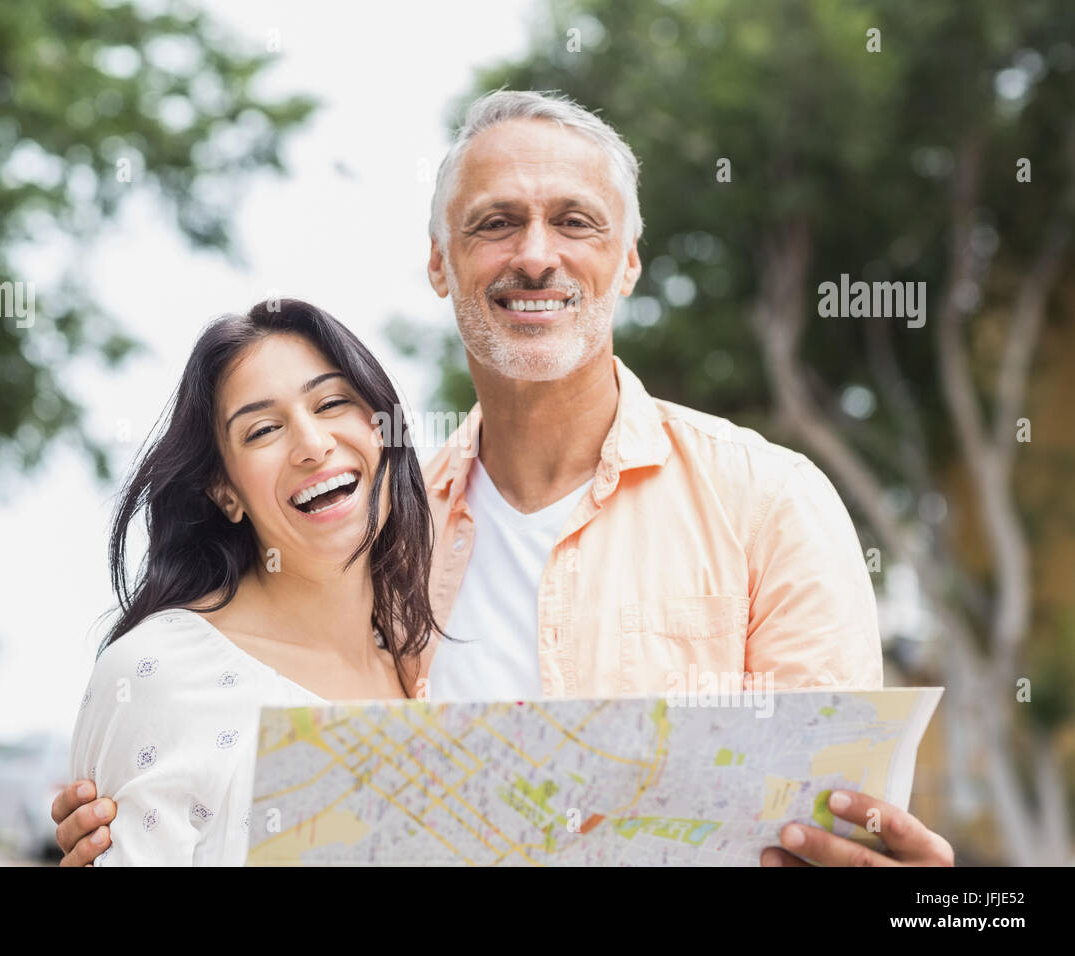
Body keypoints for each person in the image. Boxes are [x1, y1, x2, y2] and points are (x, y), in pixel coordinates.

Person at [54, 90, 953, 867]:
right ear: (441, 264)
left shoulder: (772, 505)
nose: (534, 256)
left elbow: (838, 826)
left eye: (575, 220)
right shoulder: (381, 534)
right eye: (495, 223)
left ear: (628, 260)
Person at [67, 299, 445, 864]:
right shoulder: (164, 675)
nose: (313, 444)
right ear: (226, 491)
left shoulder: (431, 675)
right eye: (264, 429)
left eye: (333, 401)